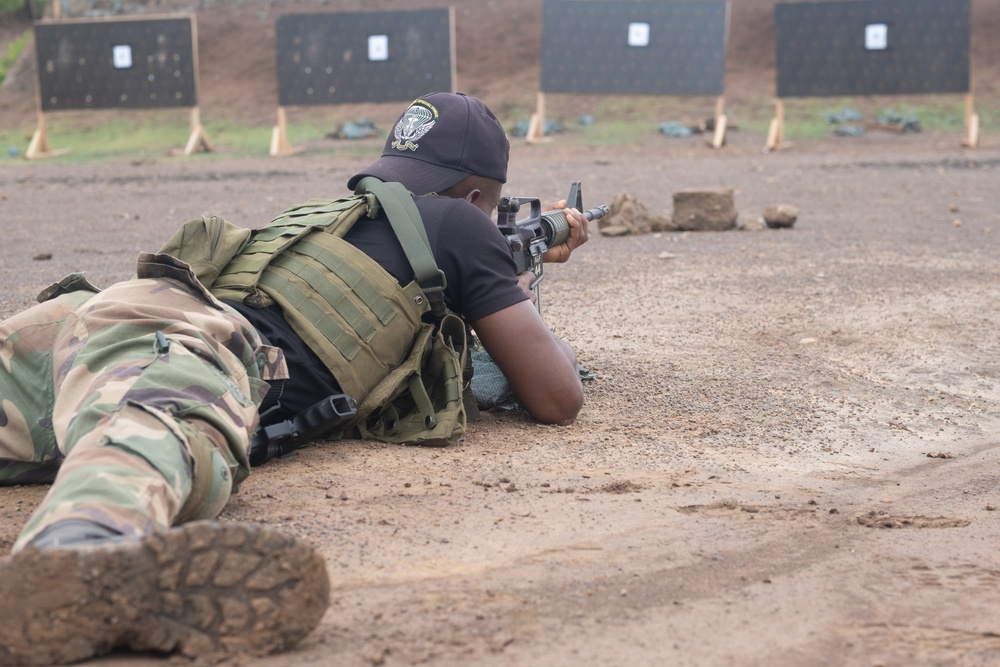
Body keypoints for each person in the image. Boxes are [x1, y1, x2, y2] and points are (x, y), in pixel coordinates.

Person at [0, 91, 588, 665]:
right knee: (152, 431)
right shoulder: (463, 223)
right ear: (478, 195)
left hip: (93, 320)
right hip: (192, 345)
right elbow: (557, 396)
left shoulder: (329, 220)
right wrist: (512, 285)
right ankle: (75, 556)